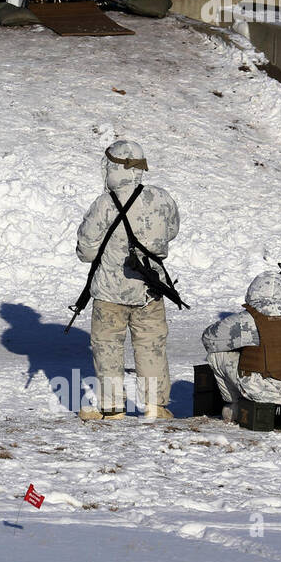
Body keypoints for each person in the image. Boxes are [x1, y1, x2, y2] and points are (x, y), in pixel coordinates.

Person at [75, 140, 181, 420]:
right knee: (151, 346)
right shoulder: (161, 199)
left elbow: (86, 252)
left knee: (108, 347)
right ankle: (155, 406)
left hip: (110, 293)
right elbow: (171, 232)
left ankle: (112, 409)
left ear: (112, 167)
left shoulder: (103, 204)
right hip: (150, 290)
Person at [201, 273, 281, 421]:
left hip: (262, 391)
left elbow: (209, 339)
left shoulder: (248, 318)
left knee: (216, 355)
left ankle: (235, 405)